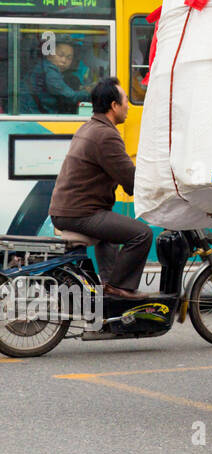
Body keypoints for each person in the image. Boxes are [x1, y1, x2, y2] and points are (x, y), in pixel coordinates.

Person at [49, 77, 154, 299]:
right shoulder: (105, 135)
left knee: (111, 232)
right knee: (142, 234)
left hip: (69, 210)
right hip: (79, 213)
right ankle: (119, 287)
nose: (128, 106)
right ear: (114, 106)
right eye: (126, 100)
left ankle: (109, 288)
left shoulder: (90, 127)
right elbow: (130, 179)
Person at [26, 41, 87, 114]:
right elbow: (70, 97)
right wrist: (90, 92)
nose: (64, 61)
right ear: (49, 55)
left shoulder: (42, 66)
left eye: (69, 58)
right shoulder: (49, 70)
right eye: (60, 55)